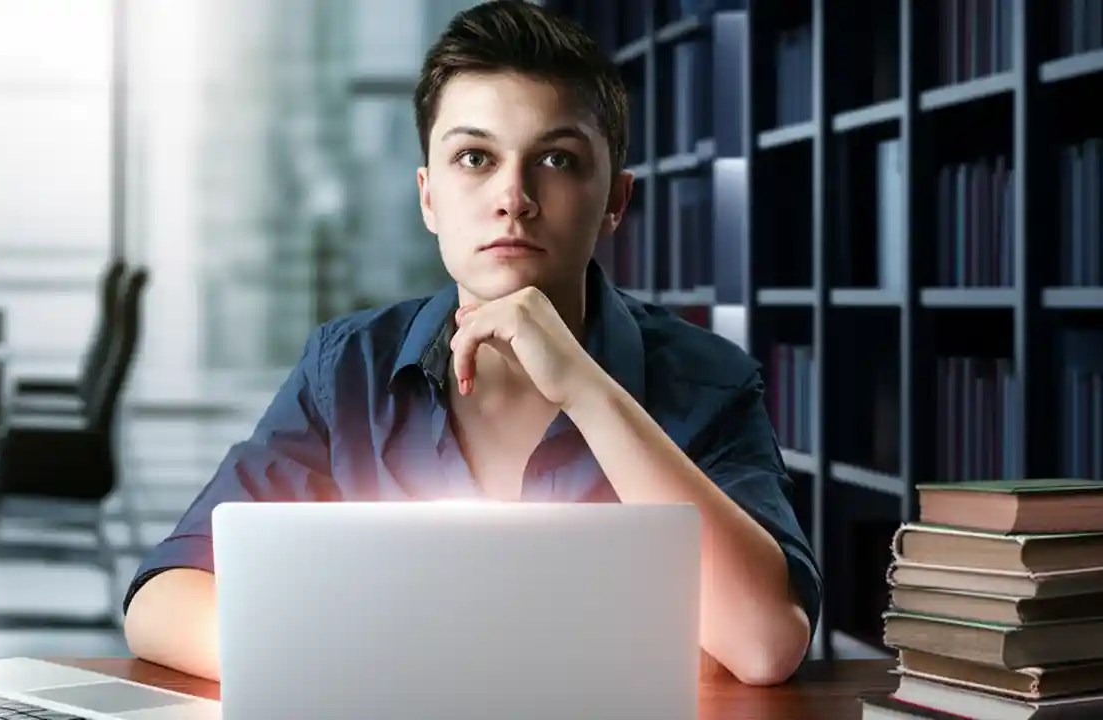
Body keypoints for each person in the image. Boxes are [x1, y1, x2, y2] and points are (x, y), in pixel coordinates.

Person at [123, 0, 821, 687]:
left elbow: (763, 645)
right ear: (429, 198)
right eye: (475, 157)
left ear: (616, 201)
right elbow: (162, 602)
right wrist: (392, 665)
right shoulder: (349, 371)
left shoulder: (709, 380)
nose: (513, 196)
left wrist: (586, 388)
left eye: (557, 158)